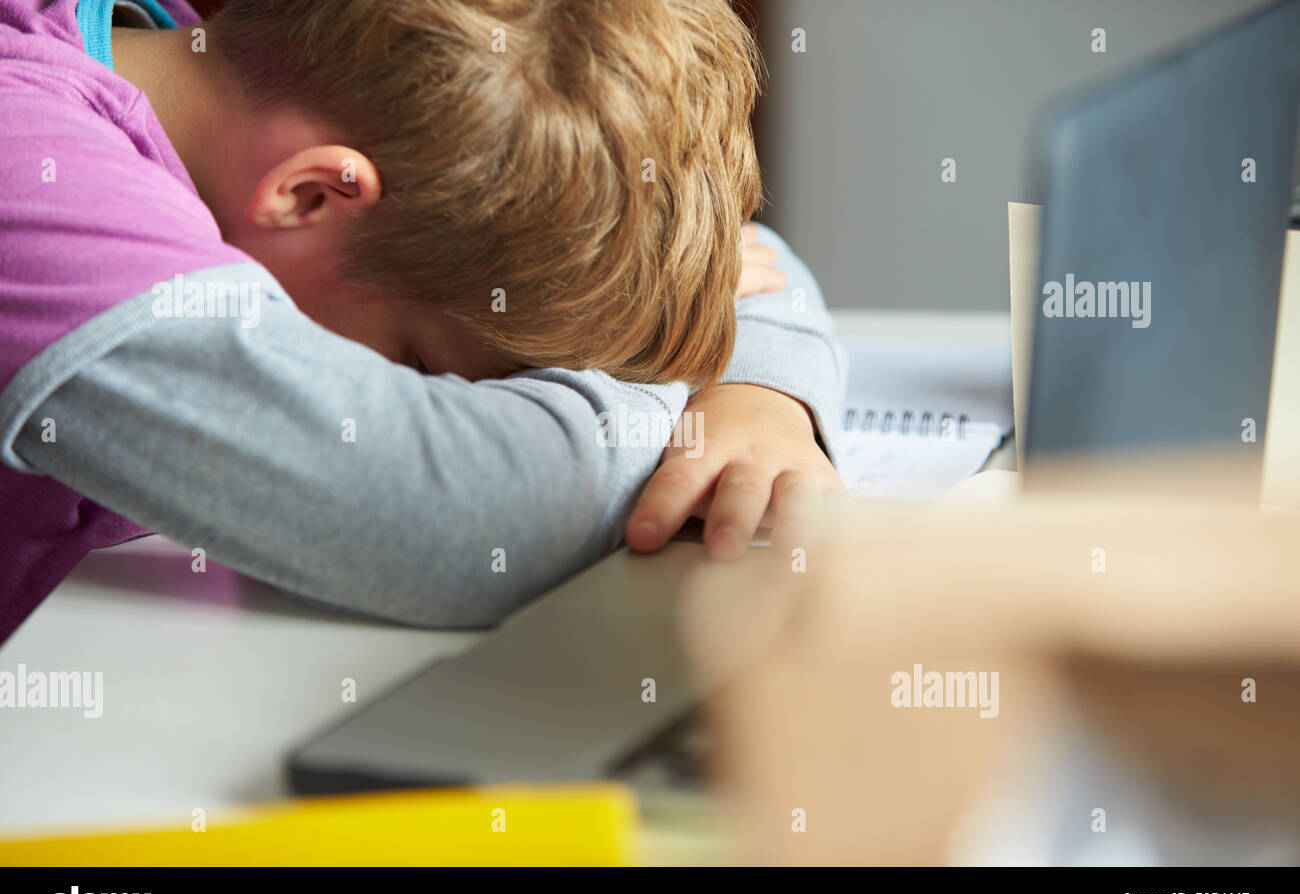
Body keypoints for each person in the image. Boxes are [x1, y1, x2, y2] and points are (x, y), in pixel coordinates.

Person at [0, 0, 845, 638]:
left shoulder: (187, 75)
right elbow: (475, 514)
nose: (486, 405)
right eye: (429, 370)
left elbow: (747, 255)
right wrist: (679, 410)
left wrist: (753, 400)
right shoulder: (30, 180)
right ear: (311, 195)